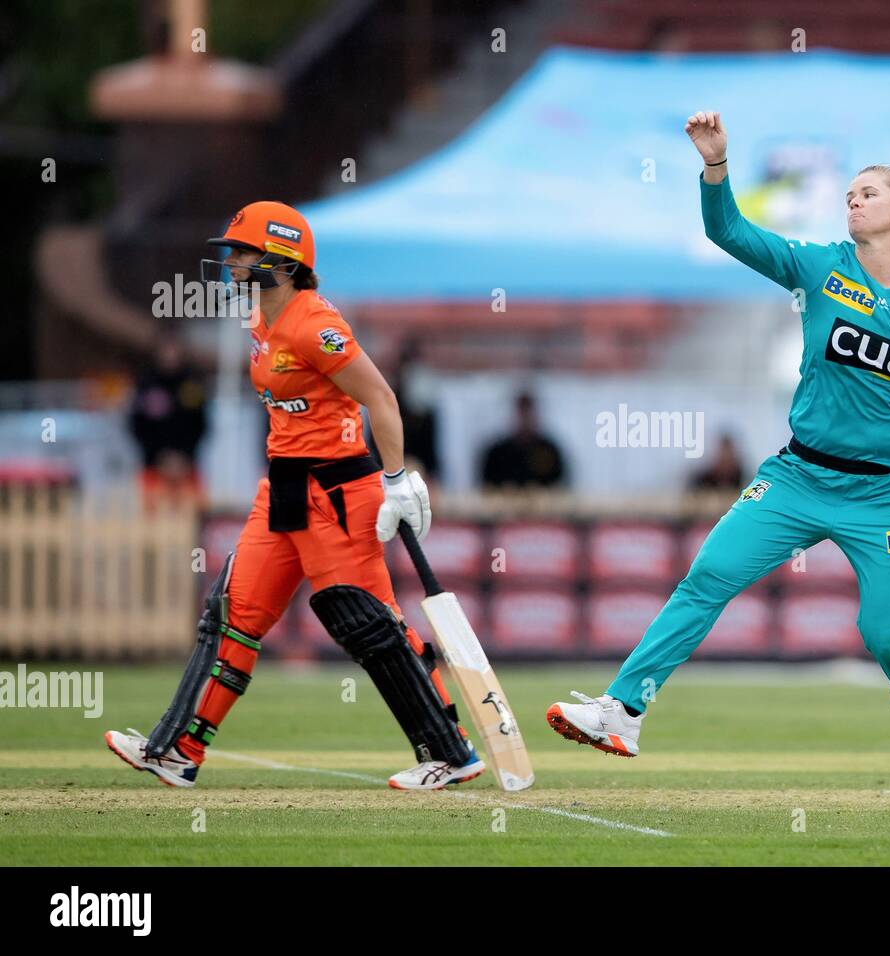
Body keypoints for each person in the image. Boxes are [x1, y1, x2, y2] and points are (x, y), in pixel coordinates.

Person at [548, 111, 890, 807]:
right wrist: (717, 167)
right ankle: (623, 713)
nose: (853, 201)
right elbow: (729, 232)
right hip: (799, 473)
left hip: (888, 494)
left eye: (869, 192)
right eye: (851, 193)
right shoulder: (818, 265)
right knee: (709, 573)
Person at [105, 200, 482, 791]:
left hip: (337, 490)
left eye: (241, 253)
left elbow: (381, 399)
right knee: (230, 617)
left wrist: (395, 477)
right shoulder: (259, 317)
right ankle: (177, 751)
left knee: (369, 626)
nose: (230, 264)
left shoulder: (315, 324)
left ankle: (449, 751)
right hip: (282, 485)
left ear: (280, 259)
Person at [129, 336, 208, 507]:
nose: (170, 355)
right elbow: (137, 425)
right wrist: (160, 456)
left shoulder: (192, 384)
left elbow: (200, 424)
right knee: (152, 518)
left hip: (187, 464)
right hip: (153, 463)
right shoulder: (146, 385)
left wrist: (184, 455)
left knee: (193, 515)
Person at [479, 391, 567, 488]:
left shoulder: (549, 450)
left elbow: (560, 485)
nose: (525, 419)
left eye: (528, 412)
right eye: (521, 413)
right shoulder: (497, 452)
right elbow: (487, 487)